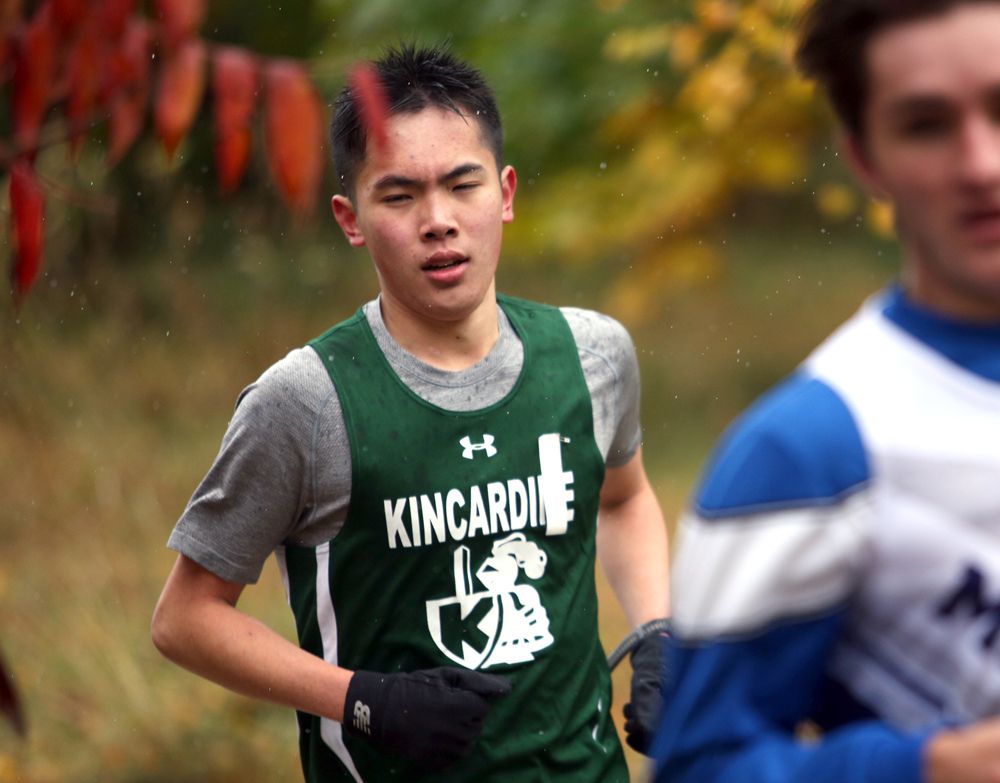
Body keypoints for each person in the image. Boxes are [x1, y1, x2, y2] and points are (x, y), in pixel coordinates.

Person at [151, 43, 671, 782]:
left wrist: (656, 629)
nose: (438, 221)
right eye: (399, 196)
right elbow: (184, 619)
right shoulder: (305, 400)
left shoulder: (593, 355)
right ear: (350, 217)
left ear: (508, 191)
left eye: (463, 185)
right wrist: (363, 699)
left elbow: (623, 497)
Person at [650, 2, 1000, 782]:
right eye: (927, 124)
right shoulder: (811, 447)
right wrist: (936, 764)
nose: (981, 162)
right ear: (865, 158)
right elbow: (699, 767)